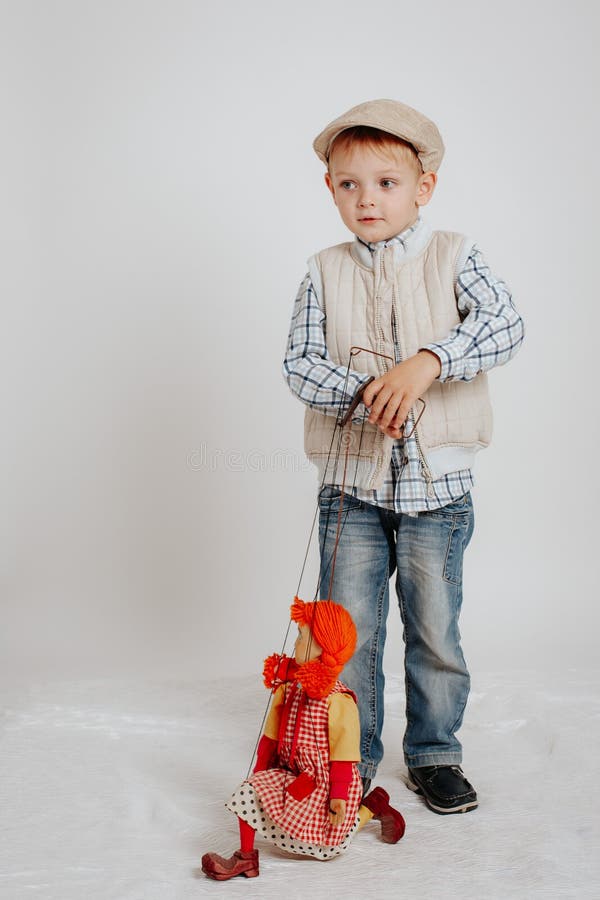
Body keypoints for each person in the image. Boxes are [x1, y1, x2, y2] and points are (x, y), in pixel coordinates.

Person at [283, 99, 525, 815]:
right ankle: (348, 759)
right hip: (350, 495)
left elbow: (506, 324)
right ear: (330, 188)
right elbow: (299, 363)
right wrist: (367, 389)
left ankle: (435, 753)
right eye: (349, 184)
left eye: (386, 183)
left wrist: (428, 361)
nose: (367, 199)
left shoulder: (455, 255)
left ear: (425, 186)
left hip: (438, 495)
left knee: (434, 633)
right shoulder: (322, 272)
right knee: (346, 640)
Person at [201, 597, 405, 881]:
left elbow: (343, 756)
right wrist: (259, 774)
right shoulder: (290, 688)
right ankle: (246, 858)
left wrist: (338, 797)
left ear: (324, 645)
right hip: (292, 774)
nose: (295, 642)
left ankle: (373, 806)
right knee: (248, 793)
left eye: (302, 636)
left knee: (332, 842)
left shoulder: (339, 701)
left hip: (323, 783)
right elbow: (270, 737)